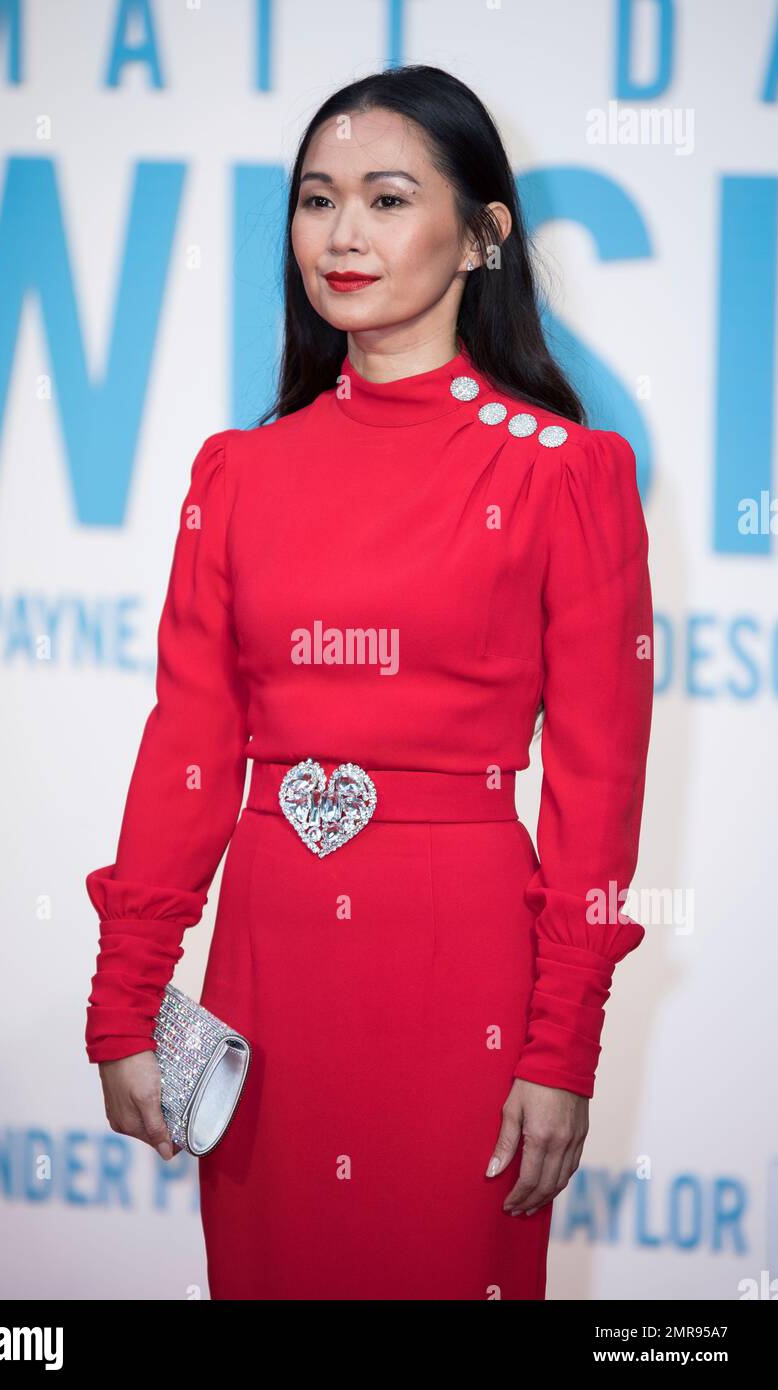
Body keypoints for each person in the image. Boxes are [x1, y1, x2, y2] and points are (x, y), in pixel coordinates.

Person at [84, 64, 654, 1300]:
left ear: (480, 236)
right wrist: (124, 997)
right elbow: (188, 746)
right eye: (316, 199)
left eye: (387, 199)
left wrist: (561, 1046)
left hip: (462, 975)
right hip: (269, 971)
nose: (341, 234)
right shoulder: (237, 473)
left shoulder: (564, 474)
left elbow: (597, 789)